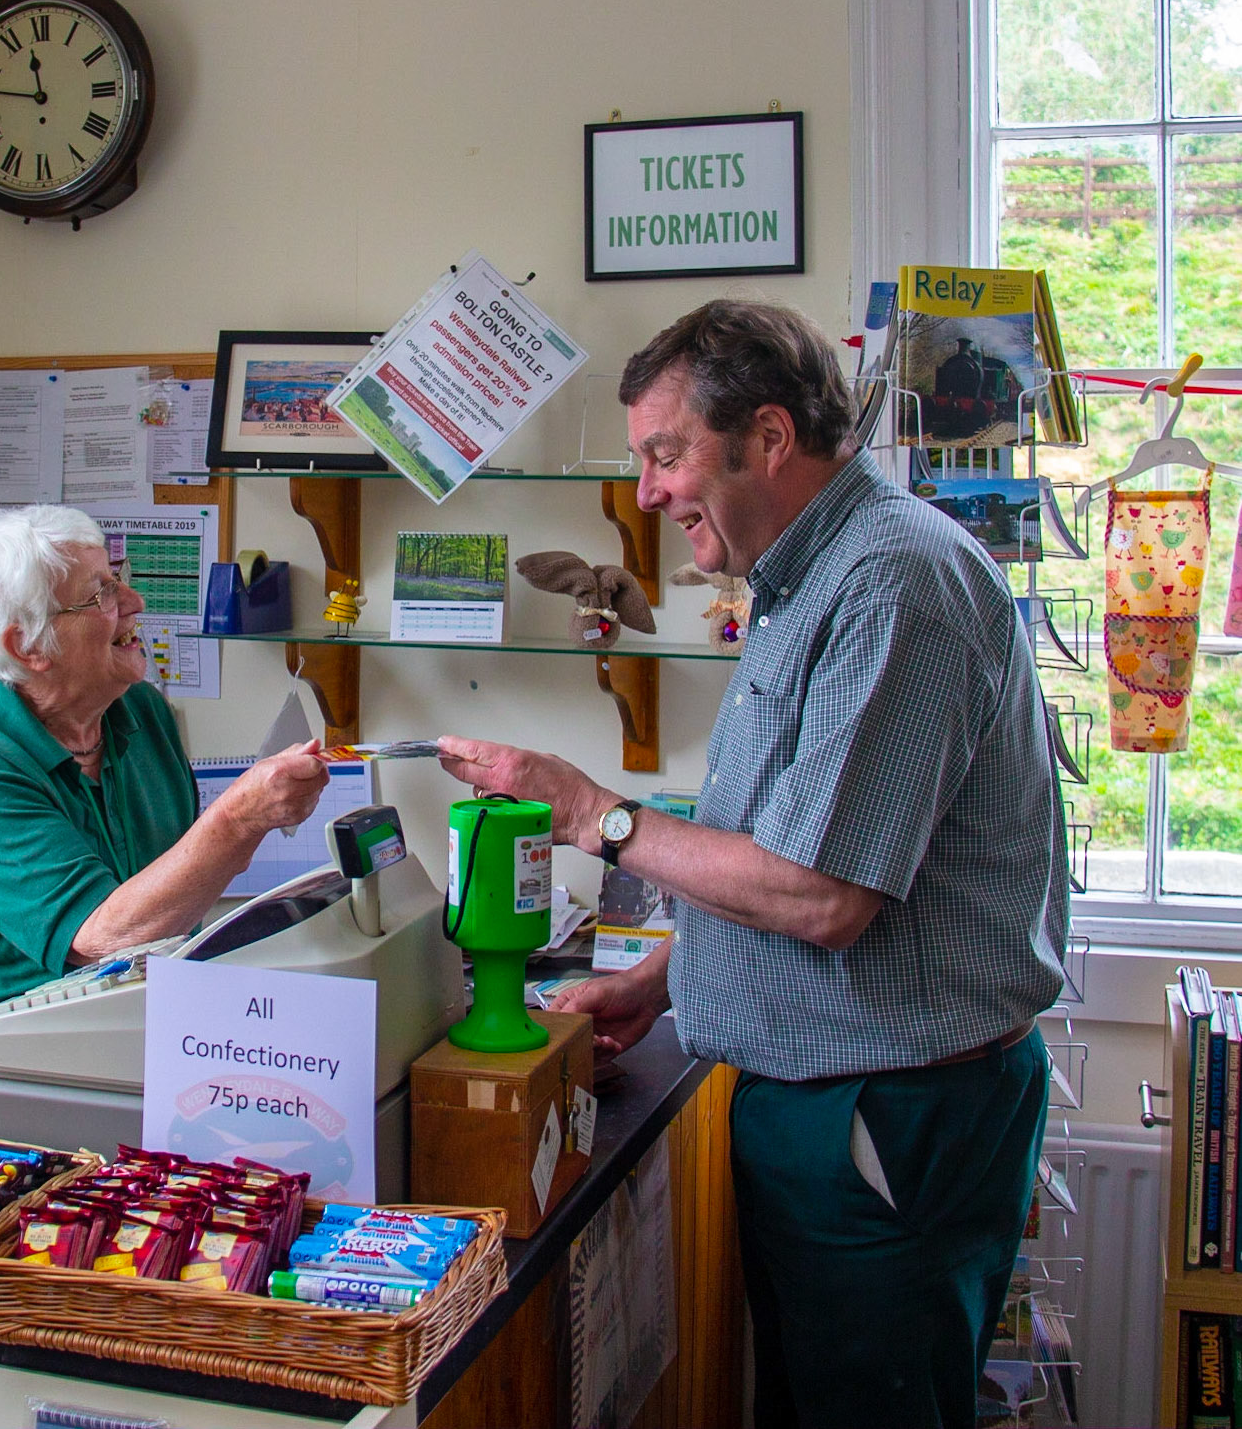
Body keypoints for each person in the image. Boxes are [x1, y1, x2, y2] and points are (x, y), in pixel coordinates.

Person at [439, 299, 1067, 1429]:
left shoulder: (891, 585)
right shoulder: (801, 584)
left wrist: (596, 816)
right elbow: (787, 848)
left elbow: (824, 898)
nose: (647, 494)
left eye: (667, 455)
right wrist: (671, 978)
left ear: (769, 439)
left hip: (887, 1113)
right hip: (836, 1098)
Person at [0, 506, 331, 1074]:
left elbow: (177, 898)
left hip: (141, 1045)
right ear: (29, 648)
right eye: (101, 594)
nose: (134, 602)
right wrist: (240, 818)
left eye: (120, 577)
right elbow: (102, 939)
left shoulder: (139, 711)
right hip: (12, 1069)